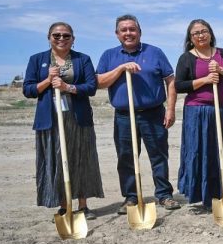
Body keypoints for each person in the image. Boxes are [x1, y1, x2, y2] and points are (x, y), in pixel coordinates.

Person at [96, 14, 181, 214]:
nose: (128, 33)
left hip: (154, 113)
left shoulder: (155, 52)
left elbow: (170, 80)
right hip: (124, 116)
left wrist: (170, 109)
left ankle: (164, 195)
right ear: (117, 34)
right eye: (123, 30)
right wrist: (120, 68)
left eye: (132, 29)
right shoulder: (109, 56)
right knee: (126, 157)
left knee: (158, 155)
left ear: (139, 32)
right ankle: (131, 198)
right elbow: (99, 82)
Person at [23, 22, 104, 220]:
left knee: (81, 158)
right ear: (49, 37)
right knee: (57, 160)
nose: (61, 39)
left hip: (78, 117)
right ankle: (63, 205)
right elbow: (28, 90)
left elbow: (91, 87)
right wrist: (48, 81)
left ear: (73, 39)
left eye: (66, 35)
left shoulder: (82, 59)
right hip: (50, 118)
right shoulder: (37, 60)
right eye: (56, 35)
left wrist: (67, 87)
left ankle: (83, 205)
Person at [174, 19, 223, 211]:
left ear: (210, 33)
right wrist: (205, 79)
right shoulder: (187, 58)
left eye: (204, 31)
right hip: (197, 112)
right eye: (196, 33)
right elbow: (179, 85)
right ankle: (204, 195)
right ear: (190, 38)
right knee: (201, 152)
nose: (201, 35)